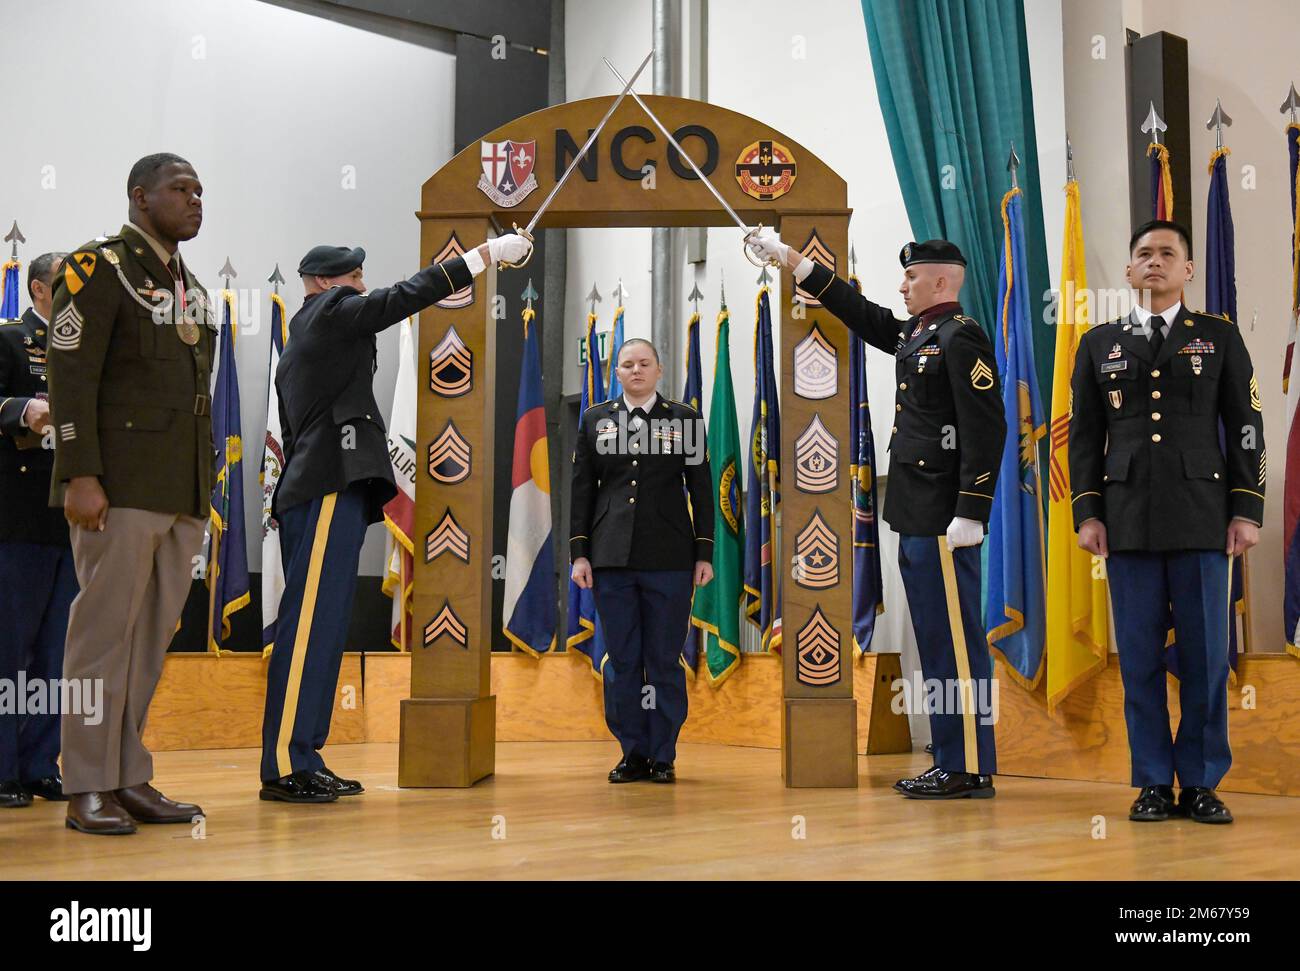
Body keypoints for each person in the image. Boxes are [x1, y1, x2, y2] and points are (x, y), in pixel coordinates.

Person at [260, 231, 532, 803]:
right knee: (309, 630)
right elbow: (400, 298)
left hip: (330, 487)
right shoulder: (326, 314)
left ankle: (304, 754)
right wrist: (483, 257)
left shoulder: (317, 332)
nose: (362, 286)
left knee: (326, 630)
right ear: (322, 284)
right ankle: (286, 762)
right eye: (353, 278)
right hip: (325, 485)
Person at [748, 231, 1005, 799]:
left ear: (942, 280)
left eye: (911, 278)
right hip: (916, 513)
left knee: (956, 642)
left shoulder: (962, 339)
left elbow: (987, 428)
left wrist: (972, 509)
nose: (902, 285)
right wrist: (792, 261)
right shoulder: (919, 334)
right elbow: (863, 315)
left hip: (945, 518)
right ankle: (952, 757)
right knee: (936, 640)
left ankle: (967, 766)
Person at [1070, 219, 1262, 825]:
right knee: (1141, 659)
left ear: (1188, 270)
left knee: (1206, 658)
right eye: (1144, 255)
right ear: (1129, 272)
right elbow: (1083, 437)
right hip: (1126, 521)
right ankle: (1153, 780)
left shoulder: (1219, 338)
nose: (1155, 262)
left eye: (1167, 254)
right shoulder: (1099, 343)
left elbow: (1247, 426)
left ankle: (1202, 782)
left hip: (1203, 518)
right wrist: (1088, 511)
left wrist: (1246, 508)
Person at [47, 153, 214, 834]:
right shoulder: (100, 267)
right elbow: (70, 372)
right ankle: (86, 782)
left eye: (200, 190)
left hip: (179, 489)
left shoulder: (191, 284)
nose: (195, 199)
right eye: (181, 189)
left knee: (148, 644)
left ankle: (128, 774)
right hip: (117, 487)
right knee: (100, 640)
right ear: (141, 197)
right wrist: (79, 472)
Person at [569, 338, 714, 784]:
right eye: (627, 364)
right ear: (617, 372)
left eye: (644, 363)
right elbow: (582, 491)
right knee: (624, 659)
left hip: (669, 557)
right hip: (611, 559)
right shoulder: (596, 420)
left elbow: (703, 490)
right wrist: (579, 553)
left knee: (664, 659)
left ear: (659, 370)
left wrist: (703, 552)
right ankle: (631, 751)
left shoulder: (684, 420)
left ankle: (663, 753)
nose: (636, 370)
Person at [0, 251, 74, 808]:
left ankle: (39, 763)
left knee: (56, 653)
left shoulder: (87, 346)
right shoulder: (8, 340)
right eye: (69, 284)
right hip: (19, 515)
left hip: (73, 519)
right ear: (40, 291)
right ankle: (3, 767)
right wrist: (22, 408)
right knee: (10, 649)